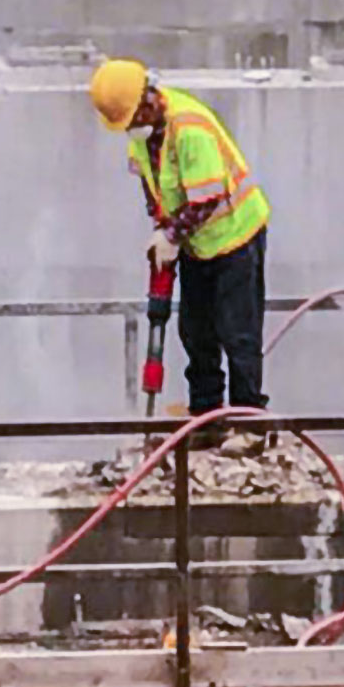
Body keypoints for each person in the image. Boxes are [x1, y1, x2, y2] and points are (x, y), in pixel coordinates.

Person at [91, 57, 271, 454]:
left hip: (235, 237)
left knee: (237, 332)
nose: (130, 129)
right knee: (195, 330)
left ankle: (249, 426)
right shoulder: (142, 133)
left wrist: (171, 234)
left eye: (132, 119)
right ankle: (207, 417)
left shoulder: (189, 128)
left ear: (148, 101)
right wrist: (161, 227)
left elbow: (207, 198)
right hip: (196, 242)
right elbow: (151, 186)